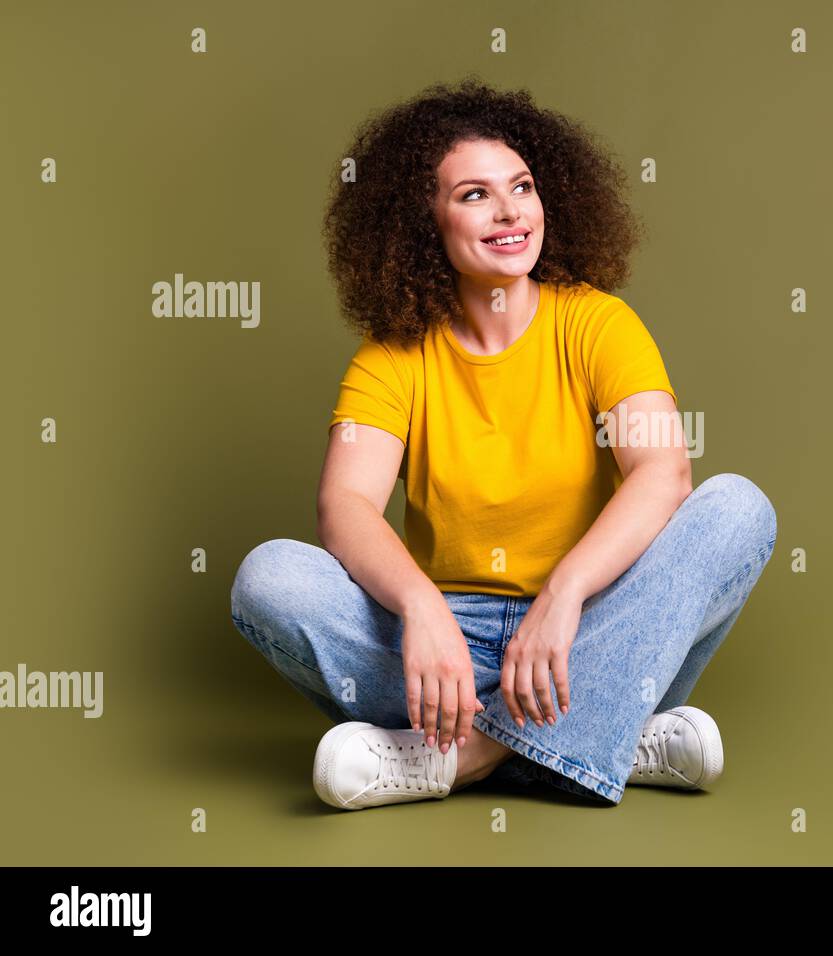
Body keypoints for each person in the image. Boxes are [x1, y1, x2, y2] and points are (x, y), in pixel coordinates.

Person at [229, 76, 777, 810]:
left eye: (521, 186)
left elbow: (663, 473)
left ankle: (466, 757)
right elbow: (346, 505)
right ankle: (609, 736)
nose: (510, 210)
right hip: (445, 644)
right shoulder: (392, 356)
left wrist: (566, 592)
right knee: (269, 578)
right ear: (425, 221)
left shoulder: (599, 324)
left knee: (739, 509)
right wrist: (422, 610)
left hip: (596, 628)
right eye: (474, 195)